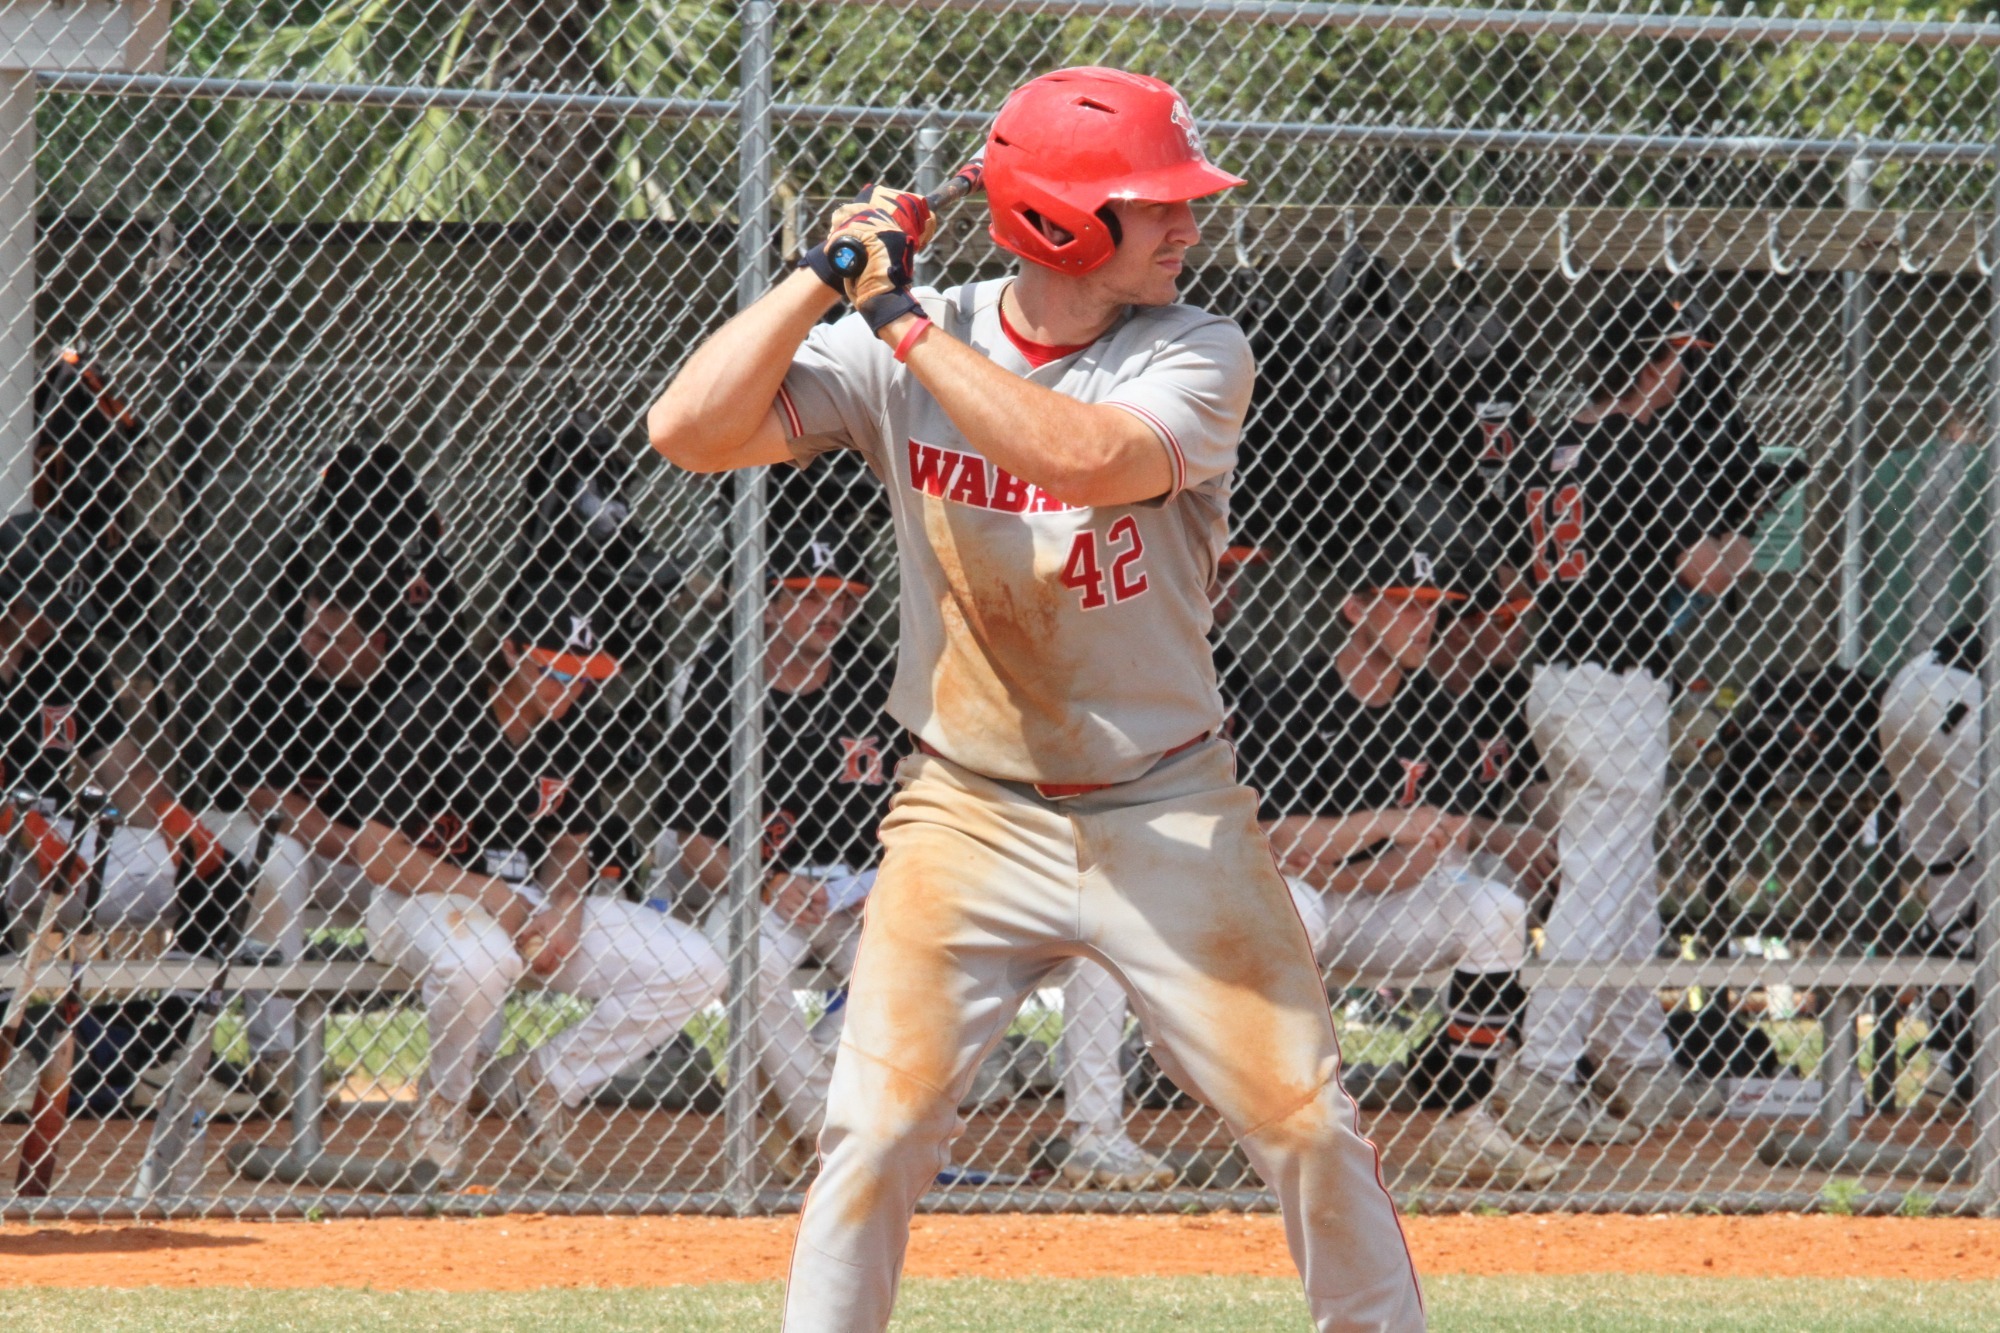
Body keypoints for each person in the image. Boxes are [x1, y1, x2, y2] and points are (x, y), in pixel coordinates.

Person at [647, 64, 1422, 1333]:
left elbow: (1090, 457)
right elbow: (686, 427)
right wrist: (819, 274)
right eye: (1154, 203)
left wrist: (898, 322)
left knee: (1304, 1119)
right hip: (965, 808)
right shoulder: (919, 328)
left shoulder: (1191, 346)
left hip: (1167, 806)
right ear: (1062, 221)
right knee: (877, 1128)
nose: (1189, 222)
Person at [661, 515, 1172, 1189]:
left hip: (873, 884)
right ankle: (835, 1131)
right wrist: (762, 884)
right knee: (741, 946)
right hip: (767, 888)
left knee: (943, 962)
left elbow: (942, 790)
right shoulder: (723, 686)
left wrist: (905, 869)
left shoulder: (884, 676)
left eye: (842, 596)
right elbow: (691, 835)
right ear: (771, 598)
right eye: (808, 594)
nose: (829, 612)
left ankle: (859, 1129)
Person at [1496, 293, 1756, 1145]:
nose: (1682, 377)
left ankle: (1638, 1059)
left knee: (1622, 869)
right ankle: (1541, 1070)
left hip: (1553, 681)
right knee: (1602, 879)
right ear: (1646, 366)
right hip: (1616, 690)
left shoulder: (1551, 445)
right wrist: (1748, 511)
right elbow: (1710, 574)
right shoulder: (1641, 444)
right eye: (1673, 362)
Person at [375, 583, 726, 1180]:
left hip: (526, 903)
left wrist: (566, 903)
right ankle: (445, 1101)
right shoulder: (436, 706)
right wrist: (492, 897)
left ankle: (545, 1076)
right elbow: (377, 852)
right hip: (421, 897)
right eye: (557, 673)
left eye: (584, 676)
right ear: (512, 652)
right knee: (477, 959)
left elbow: (569, 844)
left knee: (698, 965)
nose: (573, 690)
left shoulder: (575, 727)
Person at [1242, 525, 1558, 1189]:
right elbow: (1277, 842)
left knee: (1497, 908)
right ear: (1356, 608)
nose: (1428, 619)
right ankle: (1297, 1116)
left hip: (1385, 902)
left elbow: (1435, 849)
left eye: (1434, 604)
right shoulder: (1288, 697)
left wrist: (1342, 856)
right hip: (1309, 901)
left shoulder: (1437, 710)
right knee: (1296, 905)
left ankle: (1461, 1117)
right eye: (1407, 603)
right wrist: (1387, 823)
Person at [0, 511, 216, 1112]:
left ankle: (162, 1048)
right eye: (35, 609)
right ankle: (9, 1048)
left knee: (204, 866)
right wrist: (22, 826)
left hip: (50, 829)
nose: (50, 626)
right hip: (16, 833)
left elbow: (125, 773)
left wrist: (176, 823)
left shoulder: (70, 655)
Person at [201, 563, 415, 1110]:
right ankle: (277, 1060)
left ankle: (475, 1067)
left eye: (329, 636)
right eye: (309, 625)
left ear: (377, 640)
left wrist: (385, 855)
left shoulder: (417, 684)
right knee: (280, 864)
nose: (308, 642)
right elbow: (268, 800)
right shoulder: (276, 667)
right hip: (261, 829)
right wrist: (365, 849)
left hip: (361, 851)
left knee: (448, 891)